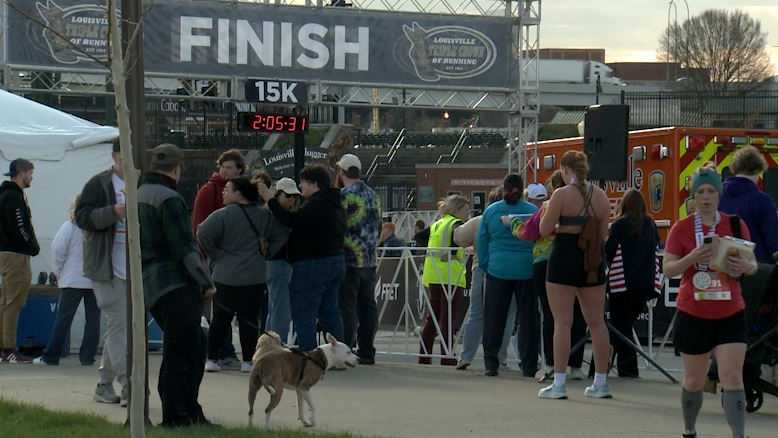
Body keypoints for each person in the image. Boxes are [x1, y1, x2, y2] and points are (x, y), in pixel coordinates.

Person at [663, 167, 757, 438]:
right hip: (694, 310)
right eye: (700, 192)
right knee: (694, 381)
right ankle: (689, 429)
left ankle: (739, 434)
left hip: (730, 310)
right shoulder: (681, 228)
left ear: (719, 194)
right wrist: (692, 257)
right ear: (693, 197)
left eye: (711, 192)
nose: (706, 197)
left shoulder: (736, 224)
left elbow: (751, 265)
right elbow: (669, 269)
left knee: (732, 377)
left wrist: (742, 265)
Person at [139, 144, 215, 427]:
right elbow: (184, 246)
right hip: (175, 282)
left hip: (150, 283)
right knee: (186, 350)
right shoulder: (169, 198)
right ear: (177, 167)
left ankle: (185, 410)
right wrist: (205, 281)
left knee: (183, 346)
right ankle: (179, 414)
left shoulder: (139, 194)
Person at [539, 150, 612, 399]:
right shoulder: (601, 196)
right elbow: (603, 234)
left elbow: (544, 228)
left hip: (564, 257)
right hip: (592, 259)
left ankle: (559, 383)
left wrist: (559, 222)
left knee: (563, 322)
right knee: (597, 322)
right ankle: (601, 382)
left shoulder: (560, 195)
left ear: (564, 169)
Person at [198, 177, 286, 373]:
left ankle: (212, 358)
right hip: (254, 274)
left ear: (239, 193)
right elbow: (281, 234)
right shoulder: (264, 216)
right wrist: (267, 252)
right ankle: (248, 360)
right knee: (249, 320)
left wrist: (216, 255)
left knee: (220, 319)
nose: (224, 193)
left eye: (228, 189)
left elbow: (202, 233)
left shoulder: (222, 215)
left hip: (225, 274)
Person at [259, 165, 345, 351]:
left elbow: (292, 221)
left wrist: (270, 200)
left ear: (314, 184)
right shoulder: (335, 203)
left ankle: (308, 353)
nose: (301, 186)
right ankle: (340, 352)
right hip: (336, 260)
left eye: (303, 183)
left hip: (312, 264)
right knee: (330, 310)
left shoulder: (315, 205)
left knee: (304, 311)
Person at [514, 171, 587, 382]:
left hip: (546, 262)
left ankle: (552, 364)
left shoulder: (548, 206)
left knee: (551, 314)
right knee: (577, 314)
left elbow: (530, 233)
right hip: (577, 261)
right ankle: (575, 366)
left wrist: (513, 224)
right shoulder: (585, 204)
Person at [75, 142, 129, 405]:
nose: (127, 162)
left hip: (135, 268)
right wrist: (112, 212)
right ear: (114, 157)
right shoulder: (99, 184)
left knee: (120, 328)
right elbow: (82, 217)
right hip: (106, 267)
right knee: (119, 327)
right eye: (123, 156)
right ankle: (130, 384)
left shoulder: (141, 183)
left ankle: (104, 384)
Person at [479, 174, 538, 377]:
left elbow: (482, 242)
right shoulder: (532, 211)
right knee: (528, 319)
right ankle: (529, 365)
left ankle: (491, 363)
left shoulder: (492, 211)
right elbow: (538, 239)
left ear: (504, 189)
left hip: (498, 269)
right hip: (526, 270)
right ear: (522, 190)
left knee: (494, 318)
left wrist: (487, 265)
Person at [191, 149, 245, 369]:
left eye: (230, 167)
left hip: (231, 258)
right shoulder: (209, 190)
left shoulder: (241, 191)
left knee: (226, 308)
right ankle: (222, 352)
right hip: (213, 258)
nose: (225, 171)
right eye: (223, 166)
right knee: (219, 308)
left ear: (239, 169)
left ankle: (224, 351)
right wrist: (209, 255)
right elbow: (198, 226)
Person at [34, 196, 100, 366]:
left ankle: (51, 356)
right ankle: (87, 357)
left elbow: (57, 249)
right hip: (94, 280)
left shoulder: (70, 226)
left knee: (63, 319)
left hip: (72, 280)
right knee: (93, 320)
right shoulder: (99, 229)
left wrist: (58, 272)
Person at [455, 187, 516, 370]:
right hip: (510, 269)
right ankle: (501, 356)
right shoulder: (516, 220)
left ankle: (466, 356)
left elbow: (459, 237)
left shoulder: (480, 221)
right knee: (507, 317)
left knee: (476, 315)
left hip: (482, 268)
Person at [605, 189, 659, 378]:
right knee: (623, 326)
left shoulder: (619, 225)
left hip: (622, 283)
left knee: (618, 326)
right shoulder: (651, 224)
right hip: (645, 284)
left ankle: (616, 368)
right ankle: (610, 366)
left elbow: (609, 251)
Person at [335, 154, 381, 364]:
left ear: (342, 172)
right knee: (368, 308)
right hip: (370, 260)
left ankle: (345, 352)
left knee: (347, 308)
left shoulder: (343, 195)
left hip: (349, 258)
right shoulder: (373, 195)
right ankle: (367, 351)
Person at [419, 195, 470, 366]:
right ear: (457, 209)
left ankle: (424, 356)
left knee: (433, 318)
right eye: (466, 210)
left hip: (434, 275)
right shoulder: (457, 224)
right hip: (450, 276)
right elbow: (457, 248)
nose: (468, 213)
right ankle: (447, 357)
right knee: (449, 319)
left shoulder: (438, 224)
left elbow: (419, 237)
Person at [0, 158, 39, 364]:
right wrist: (32, 247)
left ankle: (4, 349)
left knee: (6, 302)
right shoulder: (13, 197)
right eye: (30, 173)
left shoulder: (7, 194)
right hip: (15, 255)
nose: (32, 177)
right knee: (13, 302)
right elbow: (20, 226)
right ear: (21, 172)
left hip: (7, 253)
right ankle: (9, 349)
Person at [719, 145, 778, 264]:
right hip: (755, 268)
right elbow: (773, 241)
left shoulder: (717, 196)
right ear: (758, 170)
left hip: (722, 265)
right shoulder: (762, 201)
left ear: (734, 169)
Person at [264, 177, 299, 344]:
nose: (292, 199)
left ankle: (271, 343)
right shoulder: (274, 214)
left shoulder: (272, 212)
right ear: (278, 195)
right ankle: (278, 345)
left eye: (294, 196)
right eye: (288, 195)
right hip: (278, 263)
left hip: (276, 263)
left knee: (275, 308)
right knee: (281, 309)